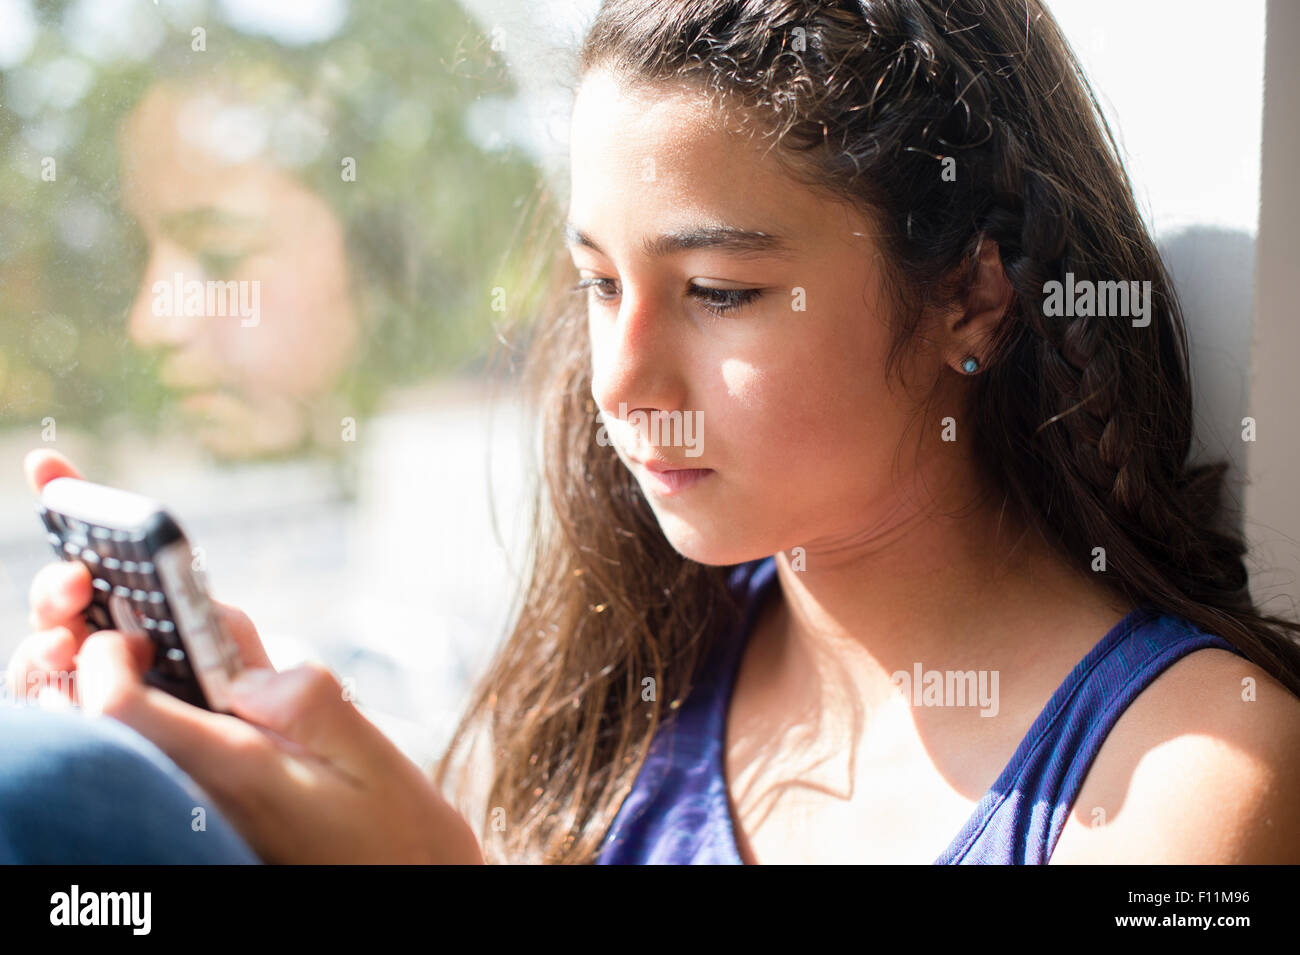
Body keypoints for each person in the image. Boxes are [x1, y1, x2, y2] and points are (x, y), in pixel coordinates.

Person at [6, 0, 1300, 865]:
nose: (620, 381)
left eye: (720, 293)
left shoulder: (1189, 775)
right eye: (598, 284)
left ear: (971, 294)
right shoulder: (633, 671)